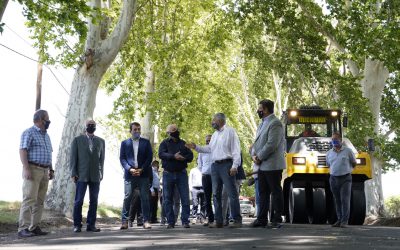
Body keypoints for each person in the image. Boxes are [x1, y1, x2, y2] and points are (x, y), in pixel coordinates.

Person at [186, 113, 242, 228]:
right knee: (216, 194)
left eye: (214, 120)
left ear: (221, 120)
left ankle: (237, 220)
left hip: (227, 164)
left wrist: (235, 166)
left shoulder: (230, 131)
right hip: (215, 166)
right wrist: (196, 147)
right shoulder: (215, 135)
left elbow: (236, 149)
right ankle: (219, 220)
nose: (212, 122)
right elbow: (209, 149)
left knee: (232, 193)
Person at [17, 109, 54, 238]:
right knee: (29, 199)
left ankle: (34, 227)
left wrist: (51, 169)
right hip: (33, 169)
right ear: (39, 120)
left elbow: (49, 154)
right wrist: (26, 168)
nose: (49, 121)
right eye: (47, 119)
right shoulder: (29, 132)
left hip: (45, 171)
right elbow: (23, 150)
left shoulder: (46, 135)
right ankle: (23, 228)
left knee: (40, 201)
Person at [250, 99, 286, 229]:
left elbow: (272, 144)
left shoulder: (275, 123)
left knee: (275, 191)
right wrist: (253, 154)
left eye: (260, 108)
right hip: (262, 165)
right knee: (262, 192)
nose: (258, 111)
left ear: (265, 109)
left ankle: (277, 219)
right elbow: (257, 142)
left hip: (272, 164)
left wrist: (259, 157)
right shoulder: (262, 124)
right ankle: (262, 219)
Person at [71, 119, 105, 233]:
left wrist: (101, 173)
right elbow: (73, 158)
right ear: (85, 127)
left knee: (94, 200)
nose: (91, 126)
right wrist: (73, 173)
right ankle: (77, 225)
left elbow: (102, 160)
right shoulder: (77, 140)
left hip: (95, 176)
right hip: (81, 175)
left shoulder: (101, 141)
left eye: (93, 125)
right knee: (79, 200)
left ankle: (91, 225)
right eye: (89, 125)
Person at [159, 124, 193, 229]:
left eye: (174, 131)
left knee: (185, 198)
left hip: (181, 173)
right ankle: (170, 221)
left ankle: (185, 221)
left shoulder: (183, 143)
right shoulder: (164, 143)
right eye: (170, 132)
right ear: (168, 133)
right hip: (168, 173)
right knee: (167, 199)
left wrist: (183, 158)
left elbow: (190, 156)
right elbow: (161, 154)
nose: (172, 133)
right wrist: (173, 156)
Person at [120, 122, 153, 230]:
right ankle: (124, 221)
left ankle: (146, 221)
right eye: (135, 129)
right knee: (127, 197)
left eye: (139, 129)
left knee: (145, 198)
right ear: (130, 131)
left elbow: (149, 158)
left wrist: (142, 169)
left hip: (143, 174)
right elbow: (122, 158)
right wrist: (130, 169)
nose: (137, 131)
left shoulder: (146, 143)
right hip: (130, 175)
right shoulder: (124, 143)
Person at [326, 132, 356, 228]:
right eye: (333, 139)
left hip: (345, 178)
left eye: (336, 139)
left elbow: (354, 163)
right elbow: (328, 165)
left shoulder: (348, 151)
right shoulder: (329, 153)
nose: (334, 141)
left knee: (345, 200)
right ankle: (339, 220)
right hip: (333, 179)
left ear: (341, 140)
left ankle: (344, 221)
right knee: (337, 200)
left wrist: (347, 170)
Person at [197, 135, 214, 226]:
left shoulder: (216, 149)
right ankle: (210, 219)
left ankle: (221, 218)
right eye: (207, 141)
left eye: (209, 140)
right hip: (206, 176)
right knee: (207, 199)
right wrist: (204, 172)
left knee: (217, 197)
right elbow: (200, 165)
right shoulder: (201, 152)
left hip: (216, 176)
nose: (208, 142)